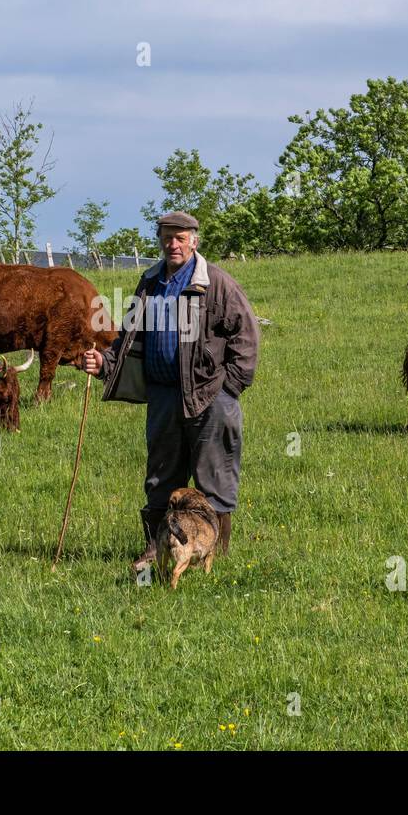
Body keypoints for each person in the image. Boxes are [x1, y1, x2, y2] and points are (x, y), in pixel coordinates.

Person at [81, 211, 259, 567]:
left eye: (180, 237)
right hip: (163, 395)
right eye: (167, 237)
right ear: (159, 239)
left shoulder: (217, 284)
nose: (173, 244)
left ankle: (213, 555)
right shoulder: (149, 284)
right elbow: (130, 338)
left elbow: (247, 336)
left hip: (210, 395)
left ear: (194, 241)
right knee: (161, 476)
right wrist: (104, 364)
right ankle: (156, 549)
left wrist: (229, 389)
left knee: (214, 478)